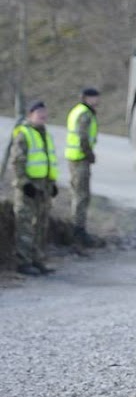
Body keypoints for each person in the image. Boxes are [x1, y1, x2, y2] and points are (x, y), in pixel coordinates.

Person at [10, 100, 59, 276]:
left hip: (43, 187)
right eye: (40, 115)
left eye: (45, 116)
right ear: (30, 115)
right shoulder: (24, 134)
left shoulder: (45, 135)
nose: (43, 118)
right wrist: (24, 184)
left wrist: (52, 184)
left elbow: (49, 161)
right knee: (25, 225)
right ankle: (23, 262)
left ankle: (37, 260)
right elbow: (17, 162)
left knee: (41, 225)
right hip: (28, 188)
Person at [64, 87, 99, 246]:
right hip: (80, 158)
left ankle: (77, 230)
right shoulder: (84, 114)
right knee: (81, 195)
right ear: (86, 98)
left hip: (75, 157)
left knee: (79, 194)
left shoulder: (78, 111)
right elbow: (83, 137)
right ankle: (78, 231)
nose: (97, 100)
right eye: (94, 97)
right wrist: (89, 153)